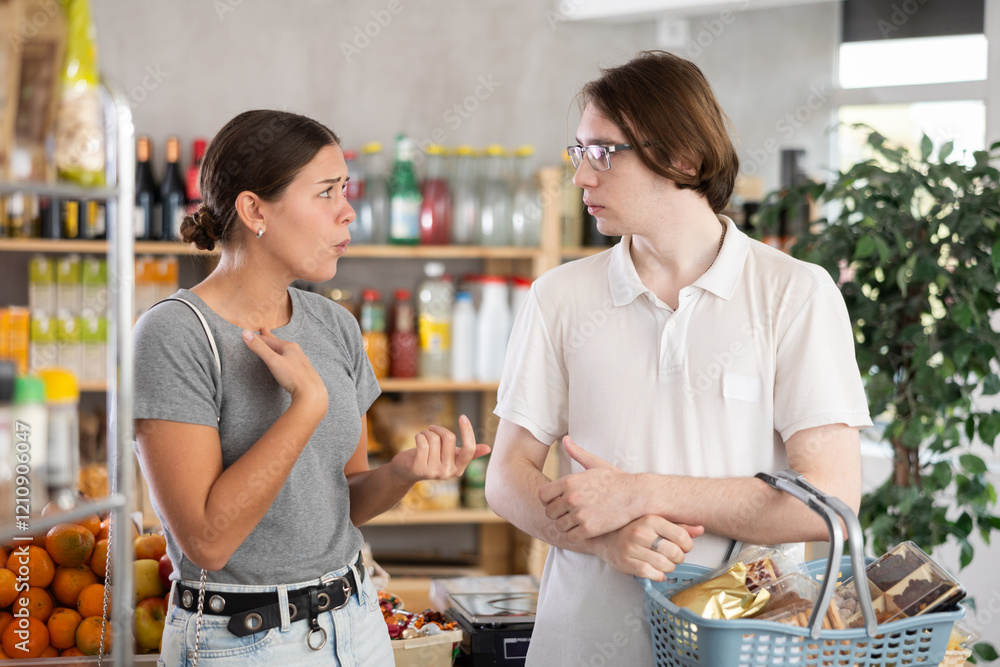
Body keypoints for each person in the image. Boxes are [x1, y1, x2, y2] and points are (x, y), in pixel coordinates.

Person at [485, 51, 872, 665]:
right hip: (581, 646)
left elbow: (828, 500)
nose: (582, 176)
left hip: (743, 647)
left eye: (604, 152)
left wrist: (638, 493)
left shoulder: (795, 293)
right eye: (578, 152)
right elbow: (506, 478)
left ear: (684, 158)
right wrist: (608, 542)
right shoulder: (559, 297)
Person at [133, 109, 490, 665]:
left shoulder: (333, 325)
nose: (348, 211)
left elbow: (341, 500)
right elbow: (207, 540)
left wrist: (401, 474)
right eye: (326, 192)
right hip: (243, 641)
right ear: (254, 210)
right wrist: (306, 407)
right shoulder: (174, 334)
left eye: (344, 190)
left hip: (357, 623)